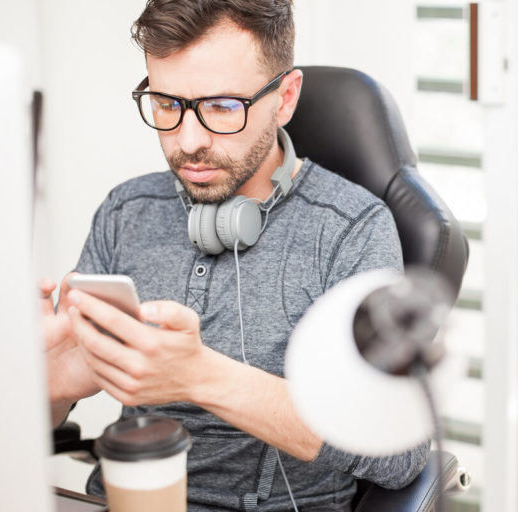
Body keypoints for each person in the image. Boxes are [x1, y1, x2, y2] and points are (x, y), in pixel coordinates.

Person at [38, 0, 429, 510]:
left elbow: (399, 451)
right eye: (166, 104)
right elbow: (40, 417)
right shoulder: (126, 211)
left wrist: (201, 376)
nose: (188, 141)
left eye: (222, 106)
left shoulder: (350, 230)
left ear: (285, 97)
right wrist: (47, 385)